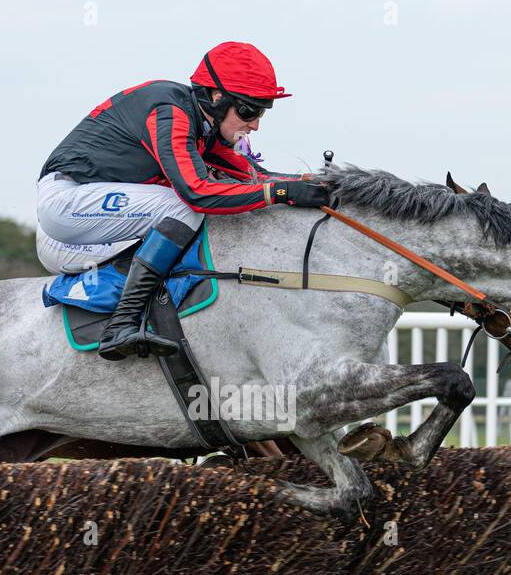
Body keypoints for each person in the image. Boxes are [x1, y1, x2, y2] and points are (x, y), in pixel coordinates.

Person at [36, 41, 330, 360]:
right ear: (217, 98)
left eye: (262, 111)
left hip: (99, 231)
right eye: (249, 110)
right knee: (183, 206)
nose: (255, 123)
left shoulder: (202, 128)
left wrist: (314, 186)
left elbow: (255, 177)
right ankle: (120, 324)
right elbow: (198, 192)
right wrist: (279, 194)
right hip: (64, 219)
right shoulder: (170, 111)